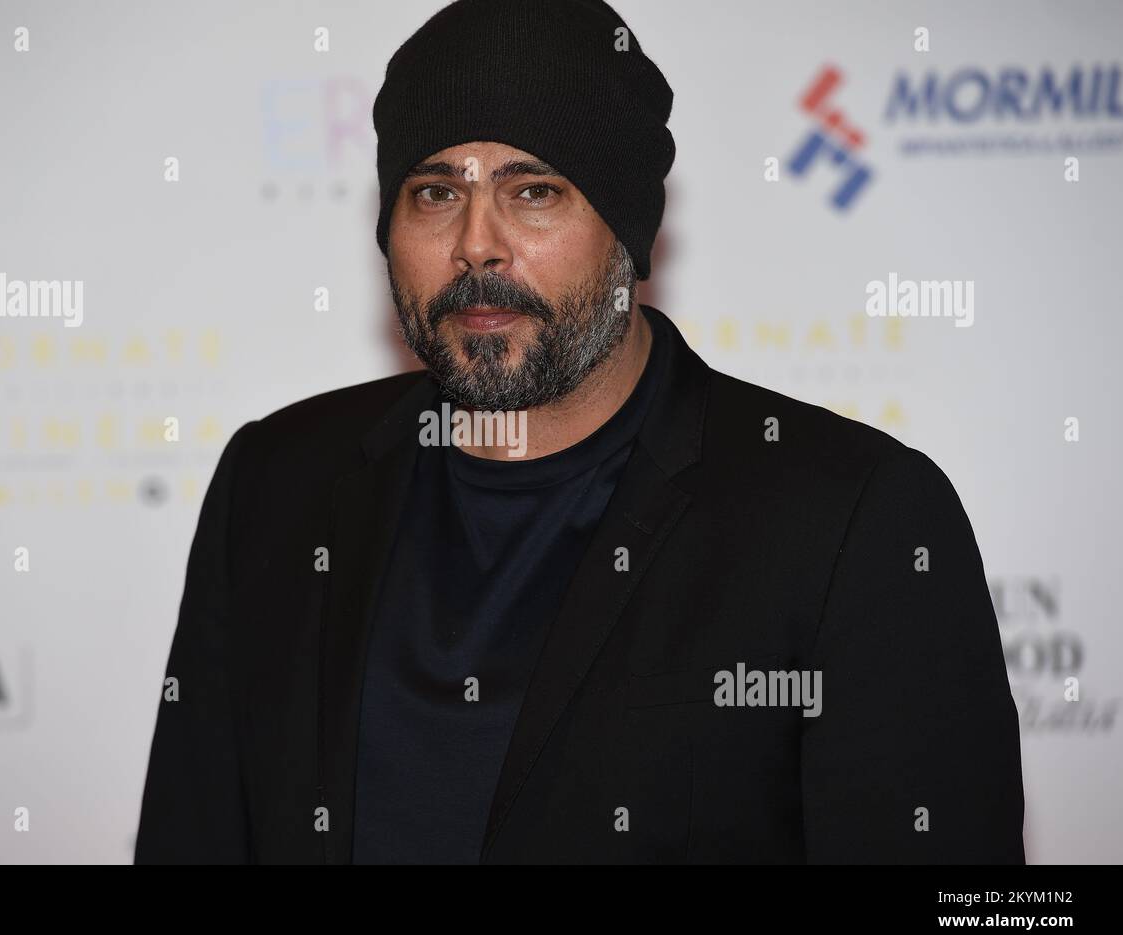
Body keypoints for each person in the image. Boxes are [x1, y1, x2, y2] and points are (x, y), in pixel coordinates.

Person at [134, 0, 1024, 864]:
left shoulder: (850, 519)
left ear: (630, 234)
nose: (477, 245)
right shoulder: (276, 484)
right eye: (435, 190)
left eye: (535, 190)